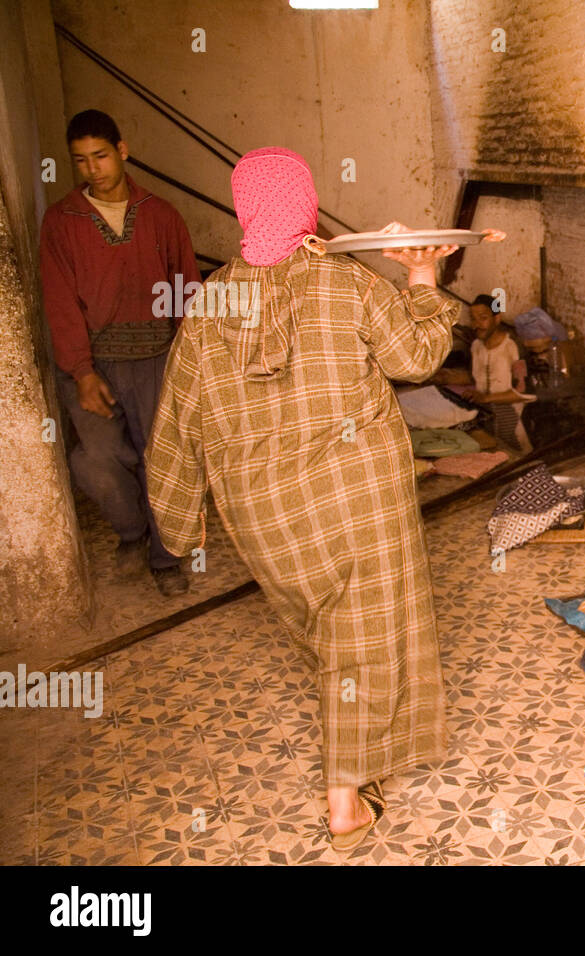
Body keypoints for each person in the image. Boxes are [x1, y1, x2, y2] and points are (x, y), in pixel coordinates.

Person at [144, 146, 506, 848]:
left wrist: (179, 523)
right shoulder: (343, 282)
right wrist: (424, 277)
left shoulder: (209, 304)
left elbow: (176, 423)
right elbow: (414, 359)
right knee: (358, 639)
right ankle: (345, 799)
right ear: (305, 204)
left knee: (333, 631)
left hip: (265, 516)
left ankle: (363, 756)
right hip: (356, 496)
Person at [39, 109, 198, 596]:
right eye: (81, 160)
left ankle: (166, 557)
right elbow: (59, 301)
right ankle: (132, 532)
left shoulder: (160, 214)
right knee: (97, 459)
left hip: (157, 357)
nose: (93, 169)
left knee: (162, 457)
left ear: (122, 151)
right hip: (93, 364)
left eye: (101, 156)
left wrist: (192, 356)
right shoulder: (62, 220)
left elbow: (184, 287)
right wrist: (83, 372)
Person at [468, 294, 532, 453]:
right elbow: (474, 377)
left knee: (518, 459)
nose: (476, 324)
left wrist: (486, 398)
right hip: (487, 419)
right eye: (473, 319)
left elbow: (524, 392)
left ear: (497, 319)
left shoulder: (512, 347)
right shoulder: (476, 346)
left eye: (483, 318)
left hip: (514, 420)